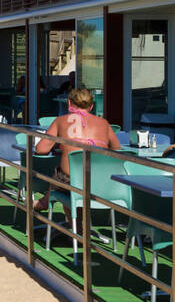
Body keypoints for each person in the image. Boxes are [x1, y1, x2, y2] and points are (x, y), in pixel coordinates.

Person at [35, 86, 121, 220]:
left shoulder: (60, 121)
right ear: (91, 106)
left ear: (69, 103)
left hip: (71, 181)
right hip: (100, 180)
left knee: (61, 176)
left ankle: (77, 232)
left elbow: (40, 149)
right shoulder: (104, 123)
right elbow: (117, 150)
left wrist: (61, 143)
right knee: (61, 177)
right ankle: (76, 229)